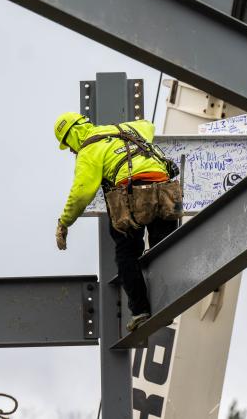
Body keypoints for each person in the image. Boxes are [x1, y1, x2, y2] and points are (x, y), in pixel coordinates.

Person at [53, 112, 183, 332]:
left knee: (126, 252)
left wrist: (64, 223)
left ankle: (141, 310)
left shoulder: (89, 150)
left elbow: (81, 194)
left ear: (72, 135)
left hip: (131, 196)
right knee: (164, 245)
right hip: (165, 189)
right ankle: (166, 301)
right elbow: (148, 125)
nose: (72, 151)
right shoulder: (127, 129)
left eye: (69, 145)